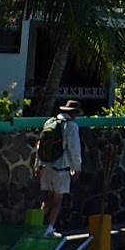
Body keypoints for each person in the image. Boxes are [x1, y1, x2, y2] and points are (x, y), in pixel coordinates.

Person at [35, 98, 83, 233]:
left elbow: (40, 146)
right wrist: (77, 168)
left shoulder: (49, 122)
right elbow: (74, 149)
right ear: (74, 113)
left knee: (47, 199)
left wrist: (37, 166)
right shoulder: (71, 126)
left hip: (45, 167)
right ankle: (49, 229)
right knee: (57, 200)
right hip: (60, 169)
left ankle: (35, 226)